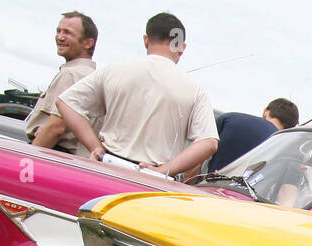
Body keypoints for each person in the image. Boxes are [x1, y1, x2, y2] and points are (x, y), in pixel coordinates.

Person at [56, 12, 217, 178]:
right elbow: (209, 142)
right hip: (152, 181)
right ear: (181, 47)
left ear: (146, 40)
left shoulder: (113, 70)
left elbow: (66, 103)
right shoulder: (195, 90)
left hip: (106, 166)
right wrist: (163, 170)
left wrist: (95, 147)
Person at [24, 12, 99, 154]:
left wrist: (28, 158)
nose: (60, 37)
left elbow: (55, 129)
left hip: (52, 153)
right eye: (58, 31)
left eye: (68, 33)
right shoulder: (94, 77)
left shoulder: (71, 74)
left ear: (88, 43)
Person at [208, 97, 298, 170]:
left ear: (265, 111)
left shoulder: (230, 118)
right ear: (292, 126)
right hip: (244, 192)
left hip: (206, 188)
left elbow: (203, 147)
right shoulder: (287, 149)